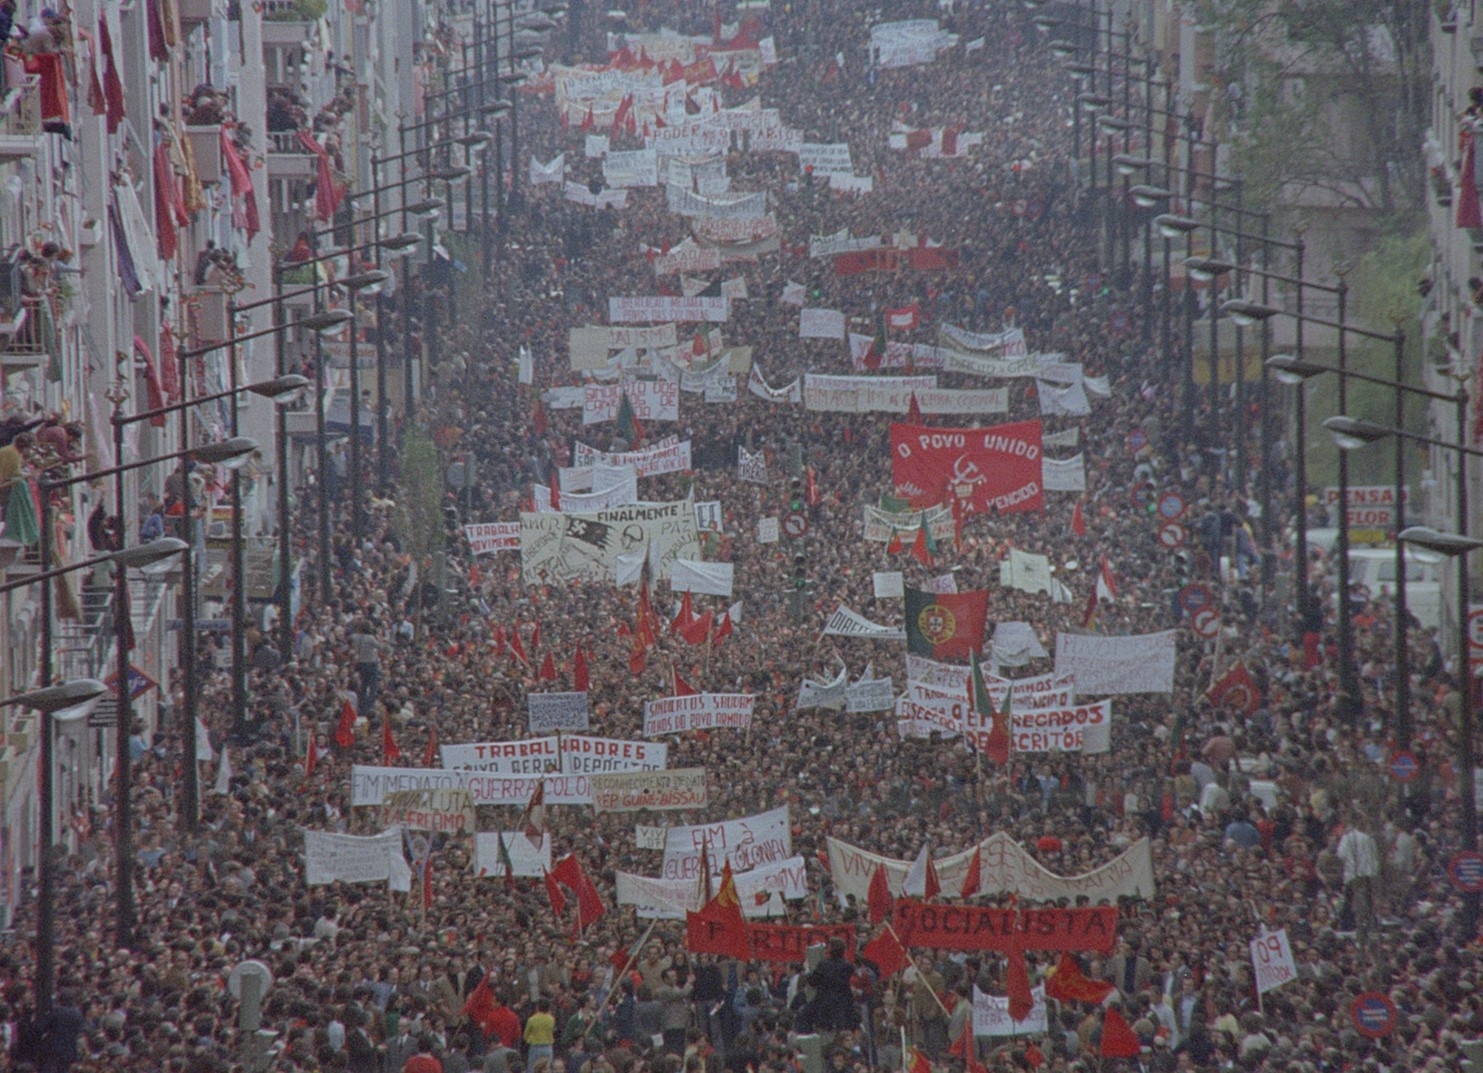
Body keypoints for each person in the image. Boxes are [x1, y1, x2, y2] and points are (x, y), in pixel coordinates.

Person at [802, 937, 857, 1034]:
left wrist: (807, 970)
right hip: (843, 1005)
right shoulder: (849, 966)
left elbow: (813, 981)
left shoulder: (824, 965)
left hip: (825, 1006)